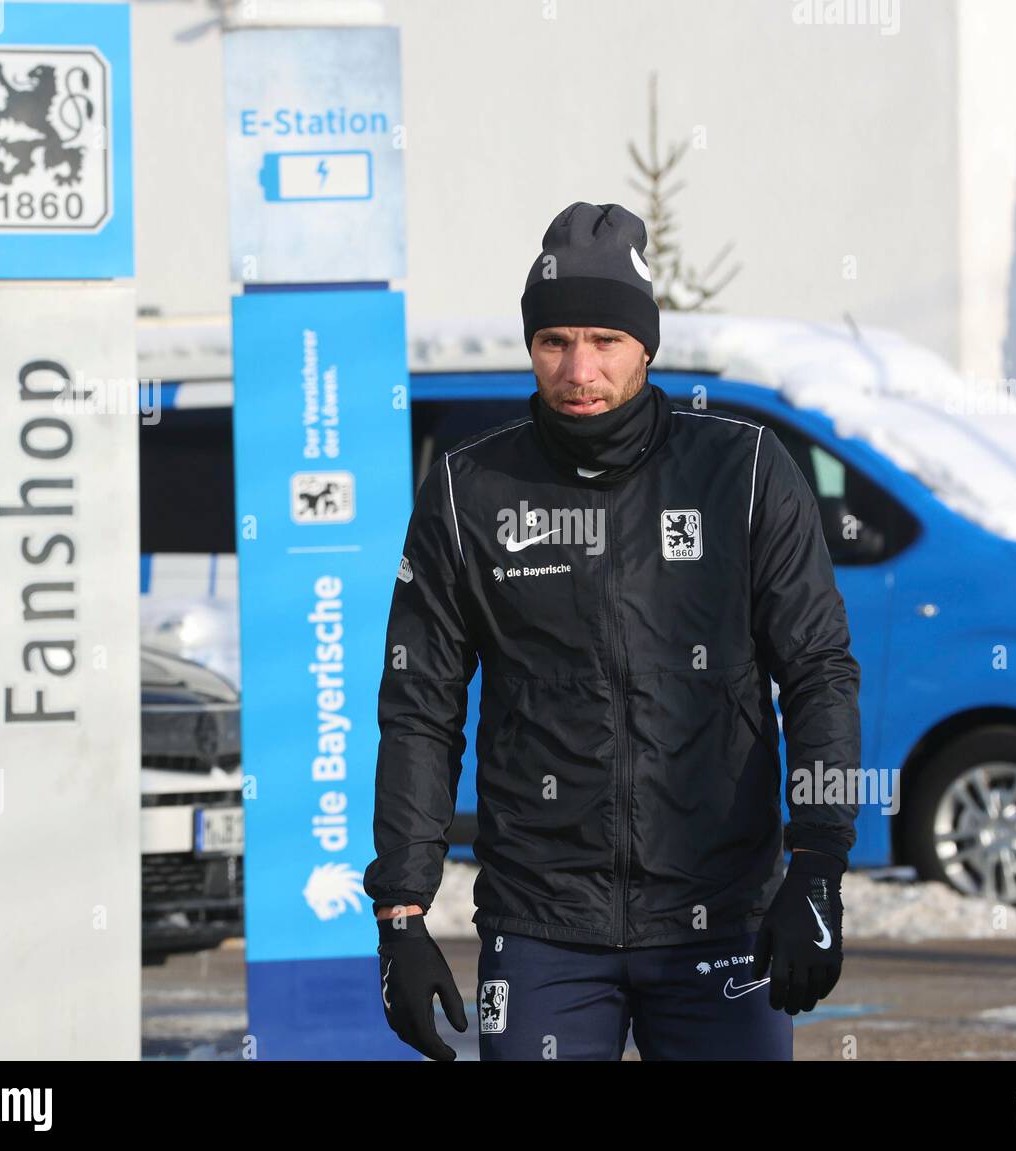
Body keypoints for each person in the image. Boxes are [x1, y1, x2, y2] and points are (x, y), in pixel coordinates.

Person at [365, 201, 861, 1061]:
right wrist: (401, 916)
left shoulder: (741, 472)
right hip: (542, 922)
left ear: (646, 345)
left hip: (718, 914)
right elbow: (420, 708)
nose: (579, 367)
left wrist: (818, 862)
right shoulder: (468, 492)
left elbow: (818, 672)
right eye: (554, 341)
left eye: (604, 339)